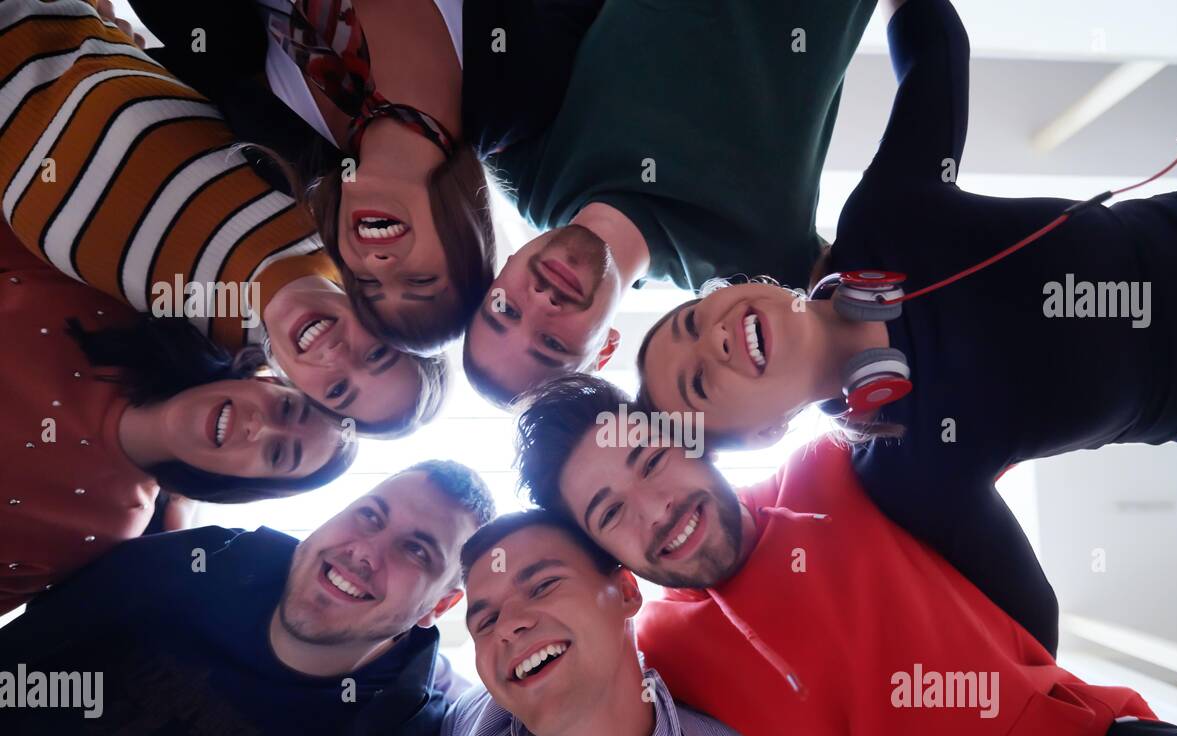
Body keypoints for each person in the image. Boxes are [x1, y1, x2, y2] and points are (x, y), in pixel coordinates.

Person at [635, 0, 1177, 643]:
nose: (713, 340)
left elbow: (937, 54)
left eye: (692, 322)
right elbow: (1032, 628)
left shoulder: (883, 218)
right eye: (698, 383)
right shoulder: (907, 472)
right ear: (762, 433)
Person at [508, 374, 1177, 736]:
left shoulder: (839, 461)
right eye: (612, 512)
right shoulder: (659, 657)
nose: (658, 508)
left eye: (652, 462)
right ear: (605, 552)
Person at [0, 461, 495, 736]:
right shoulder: (191, 564)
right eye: (369, 515)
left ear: (439, 606)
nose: (366, 551)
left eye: (416, 550)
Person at [0, 0, 441, 434]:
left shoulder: (194, 355)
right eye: (377, 353)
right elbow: (212, 57)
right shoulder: (324, 200)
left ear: (299, 391)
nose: (338, 357)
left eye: (339, 392)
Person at [127, 0, 607, 355]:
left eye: (367, 284)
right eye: (419, 280)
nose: (378, 263)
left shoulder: (278, 143)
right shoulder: (522, 85)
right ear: (464, 239)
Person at [463, 0, 878, 405]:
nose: (540, 303)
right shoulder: (756, 274)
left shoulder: (521, 160)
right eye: (551, 343)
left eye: (506, 308)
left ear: (501, 268)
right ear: (605, 350)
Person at [0, 224, 355, 616]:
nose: (260, 426)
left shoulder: (103, 530)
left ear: (241, 481)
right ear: (268, 380)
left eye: (276, 453)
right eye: (287, 408)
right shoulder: (120, 308)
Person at [443, 510, 814, 736]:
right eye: (486, 621)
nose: (508, 626)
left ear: (626, 591)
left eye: (543, 586)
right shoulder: (459, 729)